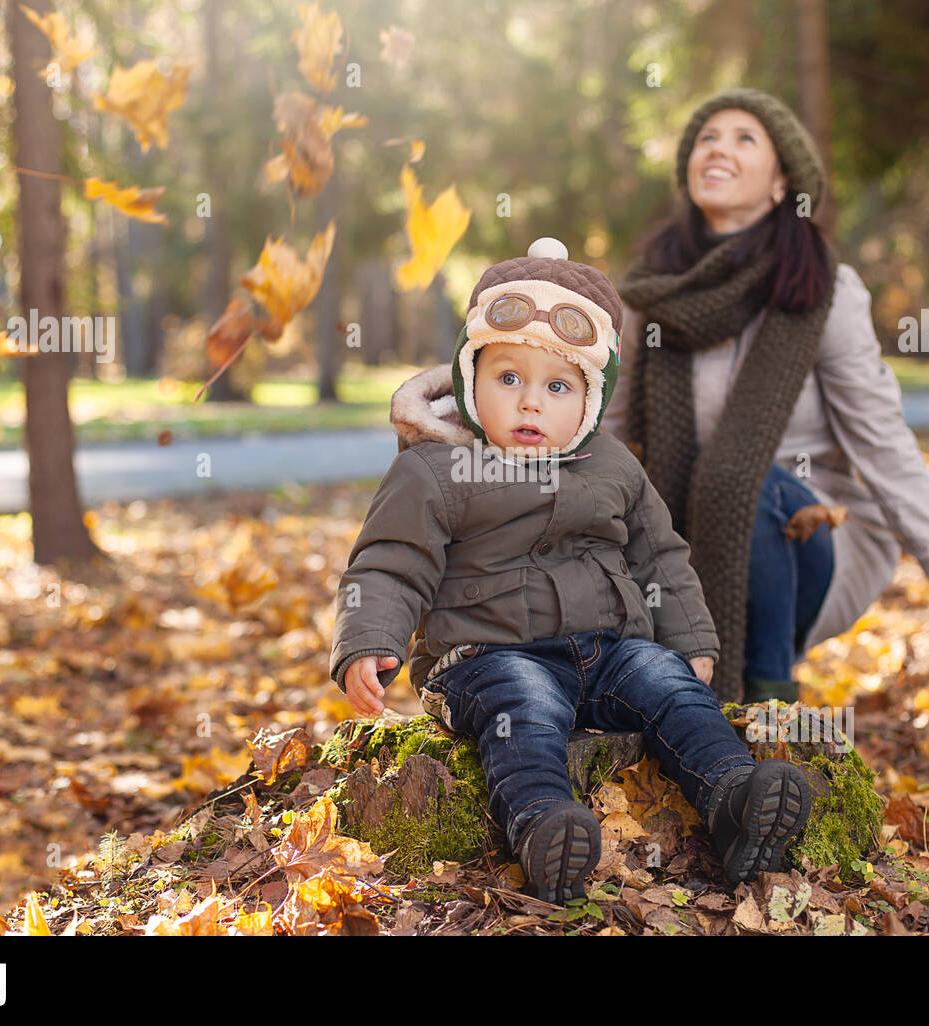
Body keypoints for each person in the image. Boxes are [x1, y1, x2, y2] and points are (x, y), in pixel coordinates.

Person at [329, 237, 812, 902]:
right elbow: (388, 563)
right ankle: (542, 827)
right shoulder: (435, 470)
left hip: (604, 652)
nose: (531, 403)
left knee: (667, 682)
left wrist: (691, 641)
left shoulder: (613, 465)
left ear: (589, 398)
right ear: (469, 381)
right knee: (522, 705)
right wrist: (369, 639)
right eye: (508, 379)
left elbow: (659, 555)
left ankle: (733, 797)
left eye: (557, 386)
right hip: (486, 656)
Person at [602, 87, 929, 703]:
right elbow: (603, 430)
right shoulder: (650, 298)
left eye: (745, 139)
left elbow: (884, 444)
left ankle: (772, 714)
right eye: (706, 139)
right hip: (685, 541)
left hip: (819, 534)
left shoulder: (824, 291)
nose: (718, 149)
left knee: (748, 483)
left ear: (780, 184)